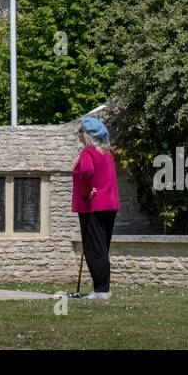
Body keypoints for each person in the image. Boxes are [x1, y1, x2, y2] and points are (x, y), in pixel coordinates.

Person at [72, 115, 119, 299]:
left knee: (93, 249)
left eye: (80, 132)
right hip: (109, 206)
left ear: (88, 135)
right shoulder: (107, 154)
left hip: (92, 206)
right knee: (102, 249)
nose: (79, 135)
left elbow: (86, 171)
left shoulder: (88, 153)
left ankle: (101, 291)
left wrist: (85, 192)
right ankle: (102, 288)